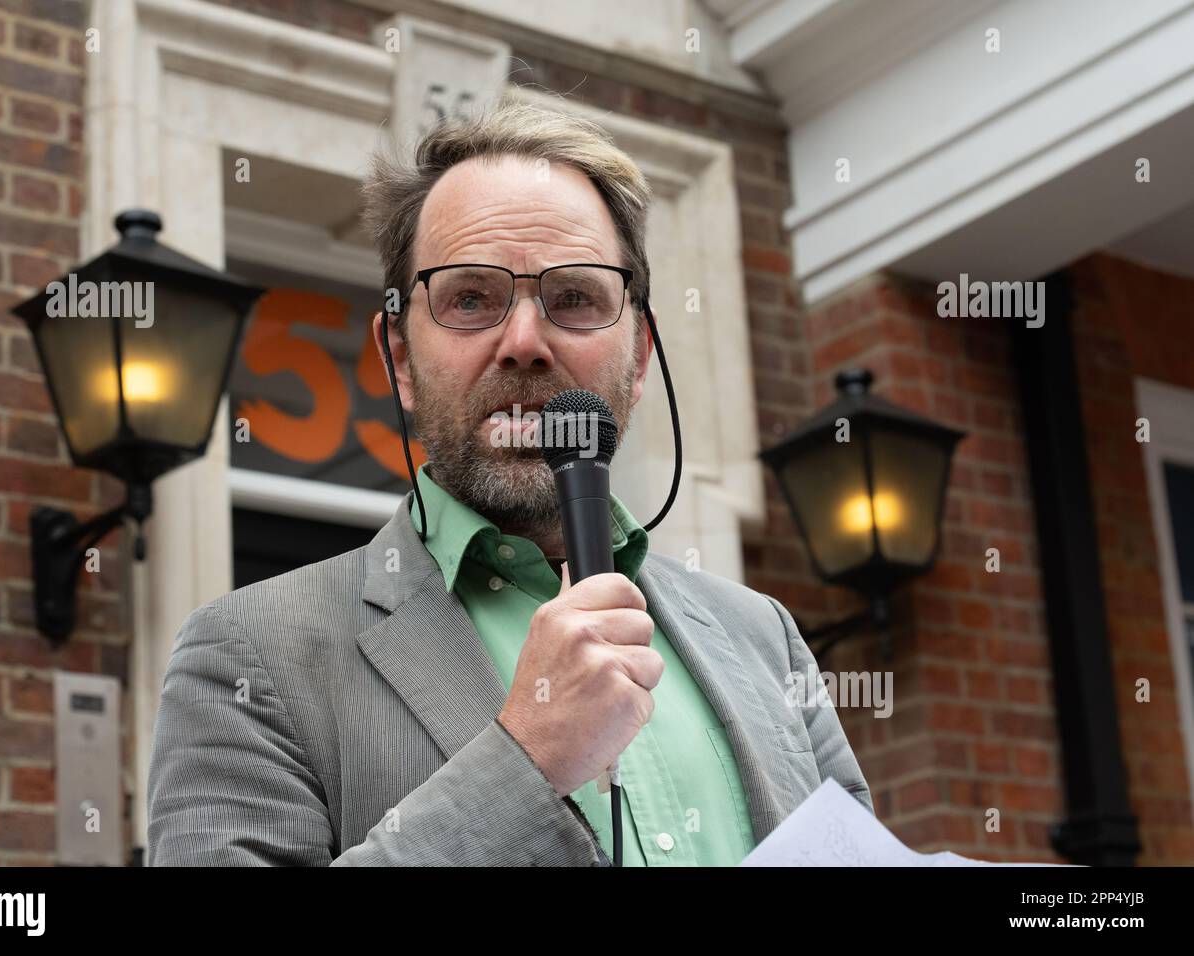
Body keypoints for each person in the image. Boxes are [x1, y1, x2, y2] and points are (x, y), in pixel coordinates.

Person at [147, 100, 872, 866]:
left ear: (639, 354)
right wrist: (525, 761)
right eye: (470, 299)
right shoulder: (248, 657)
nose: (524, 342)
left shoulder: (765, 640)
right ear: (398, 359)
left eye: (575, 299)